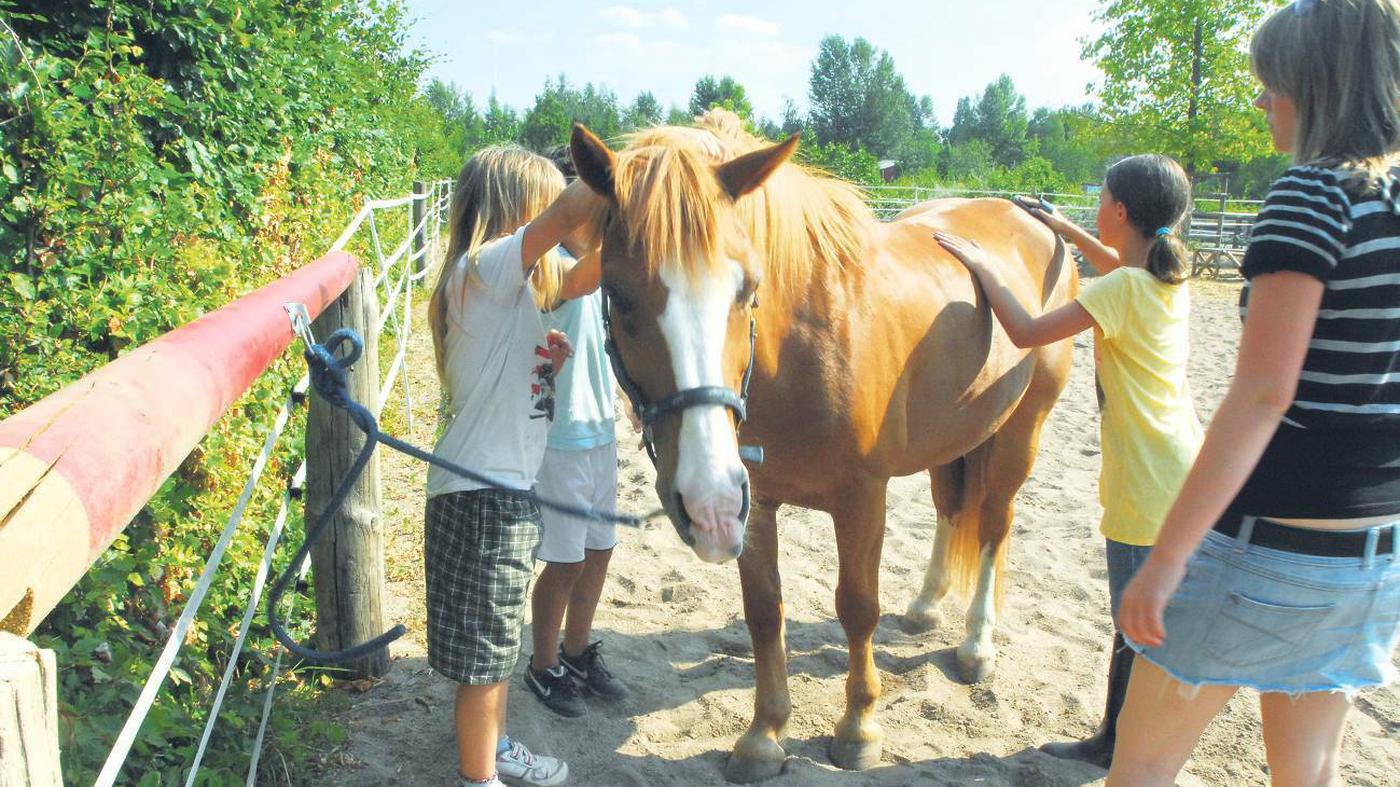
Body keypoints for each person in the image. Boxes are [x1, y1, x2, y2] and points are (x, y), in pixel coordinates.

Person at [1111, 2, 1400, 785]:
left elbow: (1264, 395)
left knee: (1138, 769)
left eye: (1272, 82)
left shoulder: (1314, 196)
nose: (1261, 100)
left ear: (1316, 83)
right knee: (1309, 772)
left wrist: (1167, 558)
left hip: (1271, 546)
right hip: (1372, 557)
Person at [934, 153, 1203, 769]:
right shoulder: (1167, 275)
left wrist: (984, 263)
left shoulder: (1122, 288)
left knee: (1134, 624)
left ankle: (1118, 744)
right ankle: (1124, 739)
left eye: (1100, 201)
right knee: (1142, 620)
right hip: (1178, 464)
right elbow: (1118, 265)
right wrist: (1066, 229)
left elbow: (1027, 331)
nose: (1095, 208)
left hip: (1145, 477)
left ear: (1121, 211)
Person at [425, 145, 602, 787]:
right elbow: (577, 210)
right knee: (484, 659)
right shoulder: (486, 267)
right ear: (518, 211)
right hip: (482, 495)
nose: (561, 223)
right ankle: (480, 778)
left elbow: (589, 274)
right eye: (547, 205)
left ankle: (494, 748)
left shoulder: (506, 287)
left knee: (497, 645)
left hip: (503, 491)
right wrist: (650, 166)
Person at [523, 146, 629, 718]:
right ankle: (542, 666)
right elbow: (592, 275)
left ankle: (578, 649)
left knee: (599, 551)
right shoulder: (552, 269)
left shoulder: (577, 263)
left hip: (599, 432)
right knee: (563, 562)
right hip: (561, 439)